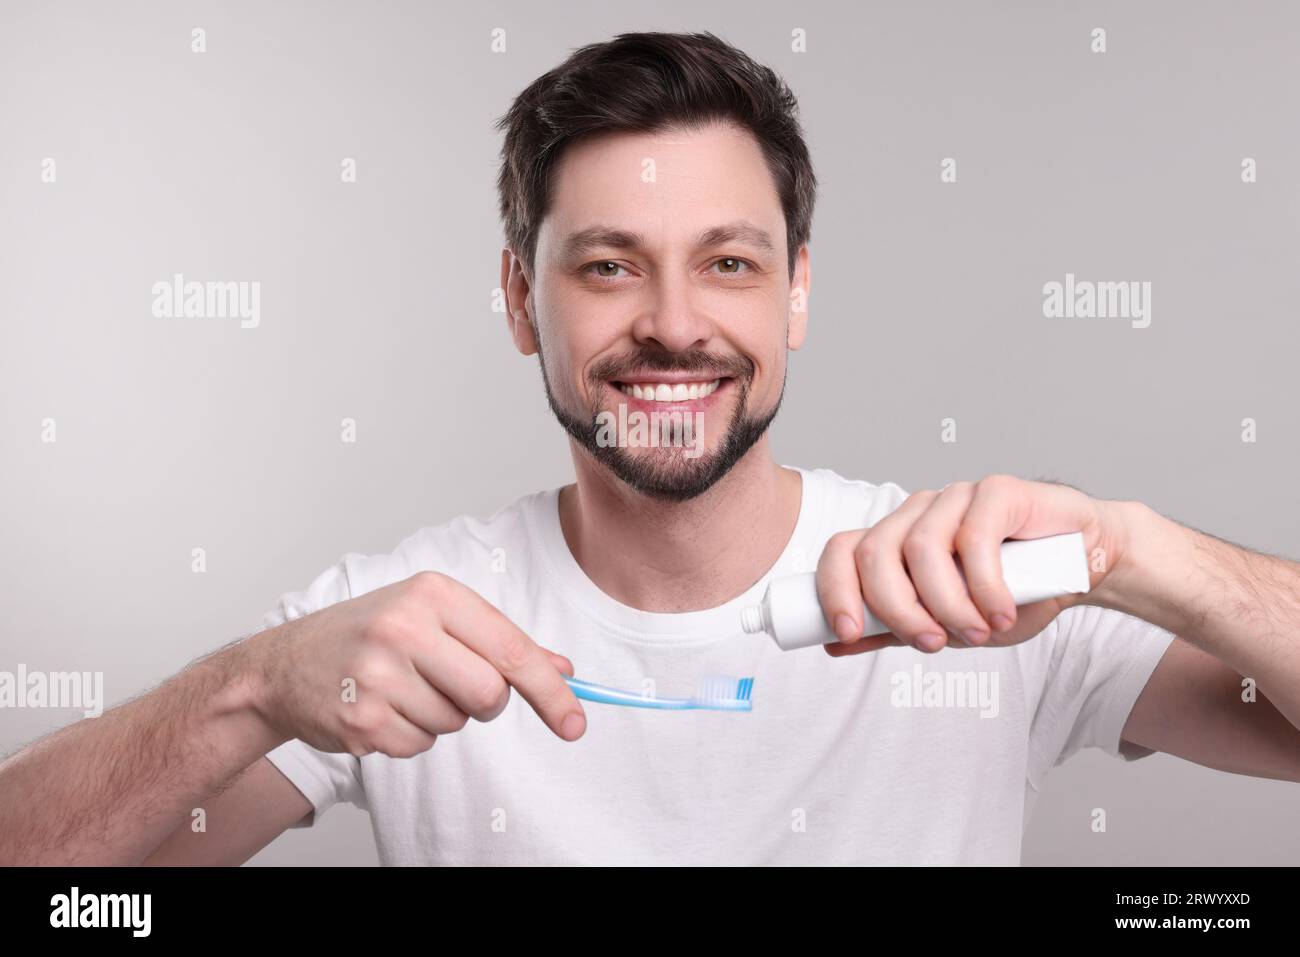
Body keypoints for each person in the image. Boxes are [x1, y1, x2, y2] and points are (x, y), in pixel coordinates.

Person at [2, 31, 1296, 867]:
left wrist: (1138, 555)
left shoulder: (977, 590)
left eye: (728, 264)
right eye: (609, 266)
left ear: (796, 293)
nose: (675, 325)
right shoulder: (393, 627)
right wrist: (253, 689)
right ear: (522, 301)